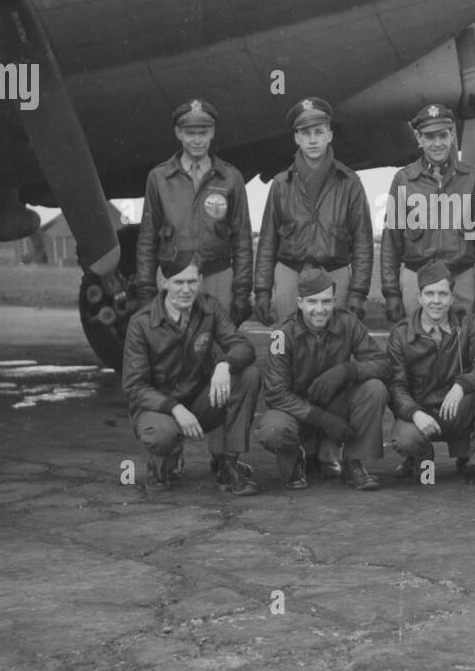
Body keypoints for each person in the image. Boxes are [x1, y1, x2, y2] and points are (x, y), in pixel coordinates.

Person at [122, 253, 261, 495]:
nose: (186, 290)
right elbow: (134, 386)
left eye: (192, 282)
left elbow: (244, 347)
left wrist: (224, 365)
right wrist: (174, 408)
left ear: (201, 280)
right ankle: (161, 462)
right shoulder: (140, 323)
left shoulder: (210, 308)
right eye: (178, 282)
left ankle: (228, 465)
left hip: (198, 404)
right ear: (164, 283)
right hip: (160, 409)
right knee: (163, 434)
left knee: (247, 376)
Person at [254, 265, 392, 491]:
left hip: (336, 405)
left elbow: (383, 365)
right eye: (312, 302)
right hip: (296, 412)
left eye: (326, 302)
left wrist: (347, 370)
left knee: (375, 389)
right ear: (299, 302)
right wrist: (322, 419)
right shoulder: (282, 335)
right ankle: (296, 458)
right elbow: (275, 393)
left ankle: (353, 462)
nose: (320, 309)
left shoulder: (349, 323)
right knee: (273, 429)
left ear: (334, 300)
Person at [254, 97, 374, 328]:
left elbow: (363, 242)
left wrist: (358, 291)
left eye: (318, 132)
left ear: (329, 135)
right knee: (290, 344)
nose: (312, 140)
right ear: (296, 138)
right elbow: (267, 242)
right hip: (291, 272)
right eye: (305, 133)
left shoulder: (350, 183)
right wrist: (262, 290)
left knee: (336, 347)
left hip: (334, 273)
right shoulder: (280, 184)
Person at [386, 260, 475, 489]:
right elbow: (395, 386)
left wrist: (462, 385)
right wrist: (415, 413)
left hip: (457, 410)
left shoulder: (468, 324)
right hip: (421, 415)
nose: (436, 301)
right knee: (407, 442)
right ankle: (422, 457)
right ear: (419, 297)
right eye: (429, 293)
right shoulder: (400, 334)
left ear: (452, 298)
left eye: (443, 294)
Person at [135, 98, 253, 325]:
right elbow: (148, 237)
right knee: (173, 351)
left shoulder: (231, 178)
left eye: (203, 132)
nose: (197, 140)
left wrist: (242, 291)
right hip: (174, 278)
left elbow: (242, 239)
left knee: (217, 349)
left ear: (212, 133)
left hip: (217, 276)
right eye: (190, 133)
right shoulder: (158, 178)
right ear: (178, 133)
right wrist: (146, 289)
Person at [380, 104, 475, 322]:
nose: (437, 143)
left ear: (452, 136)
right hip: (417, 275)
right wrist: (391, 292)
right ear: (419, 138)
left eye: (443, 135)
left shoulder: (470, 178)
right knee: (418, 347)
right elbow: (391, 243)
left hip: (460, 277)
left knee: (461, 348)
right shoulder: (403, 180)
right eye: (429, 136)